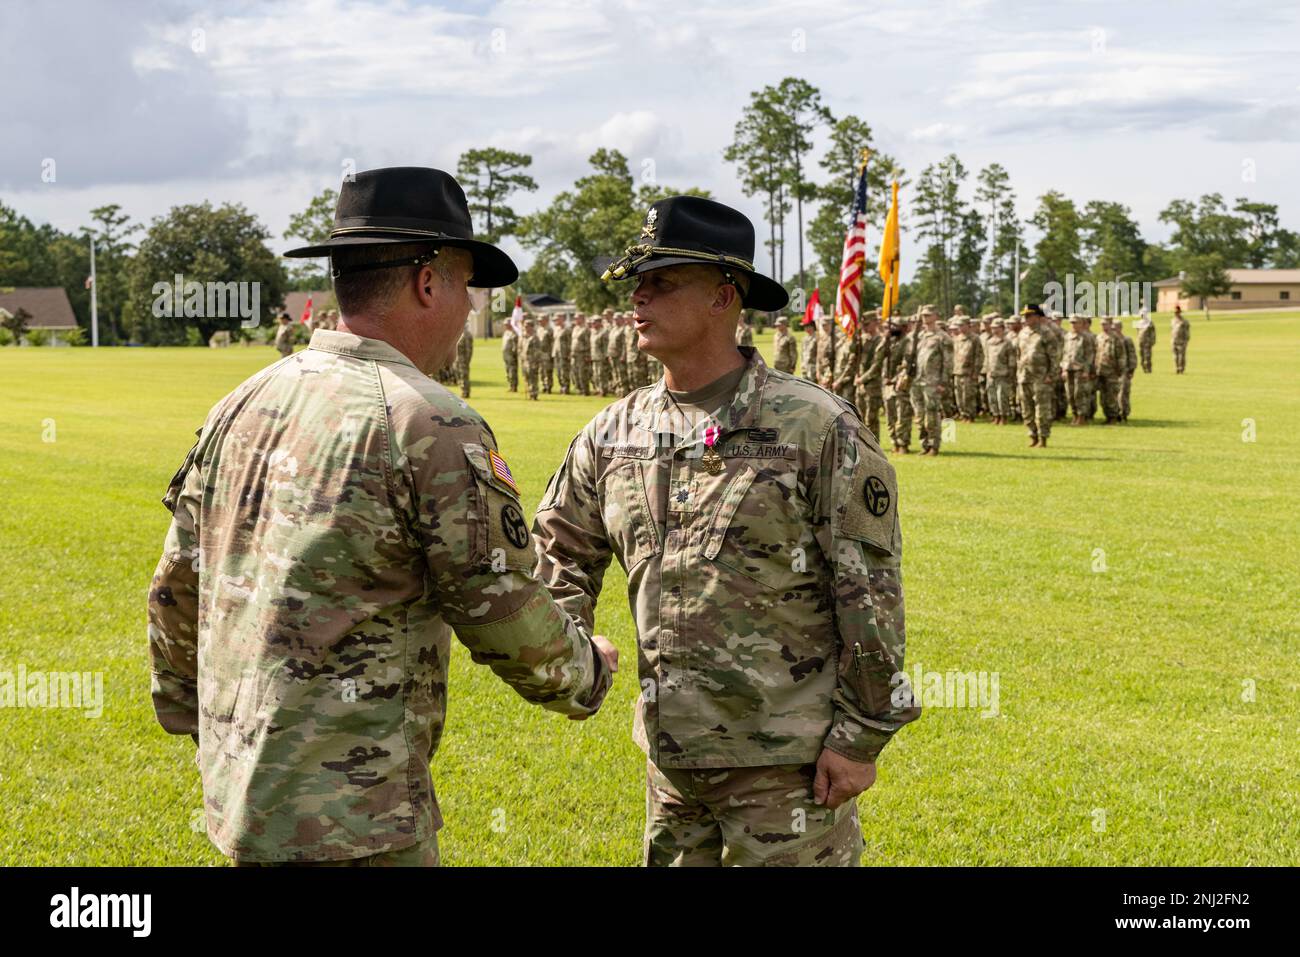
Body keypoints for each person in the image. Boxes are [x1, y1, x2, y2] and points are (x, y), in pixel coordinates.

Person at [148, 166, 616, 867]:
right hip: (359, 824)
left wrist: (200, 720)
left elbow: (174, 588)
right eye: (466, 286)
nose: (468, 310)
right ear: (429, 283)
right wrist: (589, 669)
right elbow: (505, 611)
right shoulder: (431, 421)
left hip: (245, 802)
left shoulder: (241, 403)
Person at [539, 196, 919, 867]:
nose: (640, 297)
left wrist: (860, 734)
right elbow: (560, 550)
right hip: (672, 768)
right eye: (637, 281)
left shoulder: (815, 427)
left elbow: (869, 595)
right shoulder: (614, 432)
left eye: (662, 281)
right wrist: (571, 651)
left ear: (723, 296)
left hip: (788, 773)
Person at [912, 306, 950, 456]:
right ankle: (924, 444)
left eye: (928, 315)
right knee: (919, 415)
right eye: (923, 315)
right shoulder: (920, 336)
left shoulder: (943, 337)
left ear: (935, 316)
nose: (925, 318)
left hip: (933, 382)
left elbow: (948, 362)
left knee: (932, 414)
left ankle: (934, 445)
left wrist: (943, 382)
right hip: (917, 381)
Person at [1017, 304, 1055, 448]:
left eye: (1029, 315)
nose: (1026, 318)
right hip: (1024, 376)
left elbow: (1055, 356)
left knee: (1042, 409)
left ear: (1038, 317)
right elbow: (1018, 355)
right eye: (1025, 315)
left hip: (1041, 376)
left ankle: (1043, 437)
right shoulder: (1023, 333)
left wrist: (1051, 375)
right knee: (1027, 408)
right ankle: (1032, 435)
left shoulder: (1046, 333)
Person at [1062, 314, 1095, 426]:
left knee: (1079, 394)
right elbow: (1064, 353)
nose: (1073, 325)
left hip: (1080, 370)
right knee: (1069, 394)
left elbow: (1089, 355)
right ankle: (1074, 415)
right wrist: (1063, 369)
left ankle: (1082, 416)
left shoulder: (1086, 337)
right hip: (1068, 368)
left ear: (1081, 323)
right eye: (1071, 322)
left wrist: (1086, 370)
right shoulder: (1067, 336)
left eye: (1076, 322)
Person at [983, 318, 1016, 424]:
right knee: (992, 396)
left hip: (1003, 373)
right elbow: (987, 358)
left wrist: (1011, 373)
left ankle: (1004, 416)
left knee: (1002, 397)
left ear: (1002, 328)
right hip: (991, 373)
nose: (994, 329)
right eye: (992, 328)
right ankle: (995, 415)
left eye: (996, 327)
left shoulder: (1007, 342)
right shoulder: (989, 342)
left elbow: (1011, 359)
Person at [1117, 318, 1137, 422]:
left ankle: (1124, 413)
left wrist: (1131, 370)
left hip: (1124, 370)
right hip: (1114, 371)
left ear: (1120, 328)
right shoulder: (1113, 340)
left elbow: (1132, 355)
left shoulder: (1126, 340)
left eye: (1115, 328)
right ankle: (1116, 413)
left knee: (1123, 393)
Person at [570, 313, 591, 395]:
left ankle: (585, 390)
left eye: (577, 318)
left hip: (582, 354)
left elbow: (588, 343)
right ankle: (579, 388)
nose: (575, 320)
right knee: (575, 372)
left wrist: (587, 355)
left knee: (582, 373)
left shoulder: (585, 329)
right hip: (574, 354)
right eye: (575, 318)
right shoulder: (575, 328)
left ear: (582, 319)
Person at [554, 313, 573, 394]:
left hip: (564, 354)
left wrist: (569, 353)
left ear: (563, 319)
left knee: (564, 372)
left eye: (557, 319)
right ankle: (562, 386)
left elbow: (570, 342)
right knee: (558, 372)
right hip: (556, 353)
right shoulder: (556, 329)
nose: (555, 321)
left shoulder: (567, 330)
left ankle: (566, 388)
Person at [455, 320, 473, 398]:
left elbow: (469, 349)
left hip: (464, 359)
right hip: (458, 359)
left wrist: (467, 360)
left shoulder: (467, 335)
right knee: (459, 375)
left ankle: (466, 392)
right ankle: (462, 390)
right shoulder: (459, 333)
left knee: (464, 375)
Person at [538, 313, 555, 394]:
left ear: (546, 320)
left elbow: (552, 343)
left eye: (541, 320)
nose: (540, 322)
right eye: (539, 321)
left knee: (547, 371)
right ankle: (543, 386)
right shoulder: (539, 329)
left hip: (547, 354)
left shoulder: (550, 330)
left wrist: (552, 354)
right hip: (540, 354)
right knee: (541, 371)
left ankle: (548, 387)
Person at [501, 316, 519, 392]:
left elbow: (516, 347)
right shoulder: (506, 333)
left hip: (512, 357)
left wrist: (514, 356)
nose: (505, 326)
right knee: (507, 371)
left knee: (512, 371)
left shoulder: (514, 334)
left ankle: (514, 386)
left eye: (507, 324)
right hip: (506, 356)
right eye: (505, 324)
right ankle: (510, 385)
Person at [1171, 306, 1190, 373]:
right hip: (1174, 341)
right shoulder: (1173, 321)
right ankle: (1177, 368)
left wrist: (1186, 341)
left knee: (1181, 356)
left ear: (1180, 312)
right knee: (1175, 356)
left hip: (1182, 341)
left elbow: (1187, 332)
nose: (1176, 313)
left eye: (1177, 312)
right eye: (1175, 312)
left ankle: (1181, 368)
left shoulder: (1184, 322)